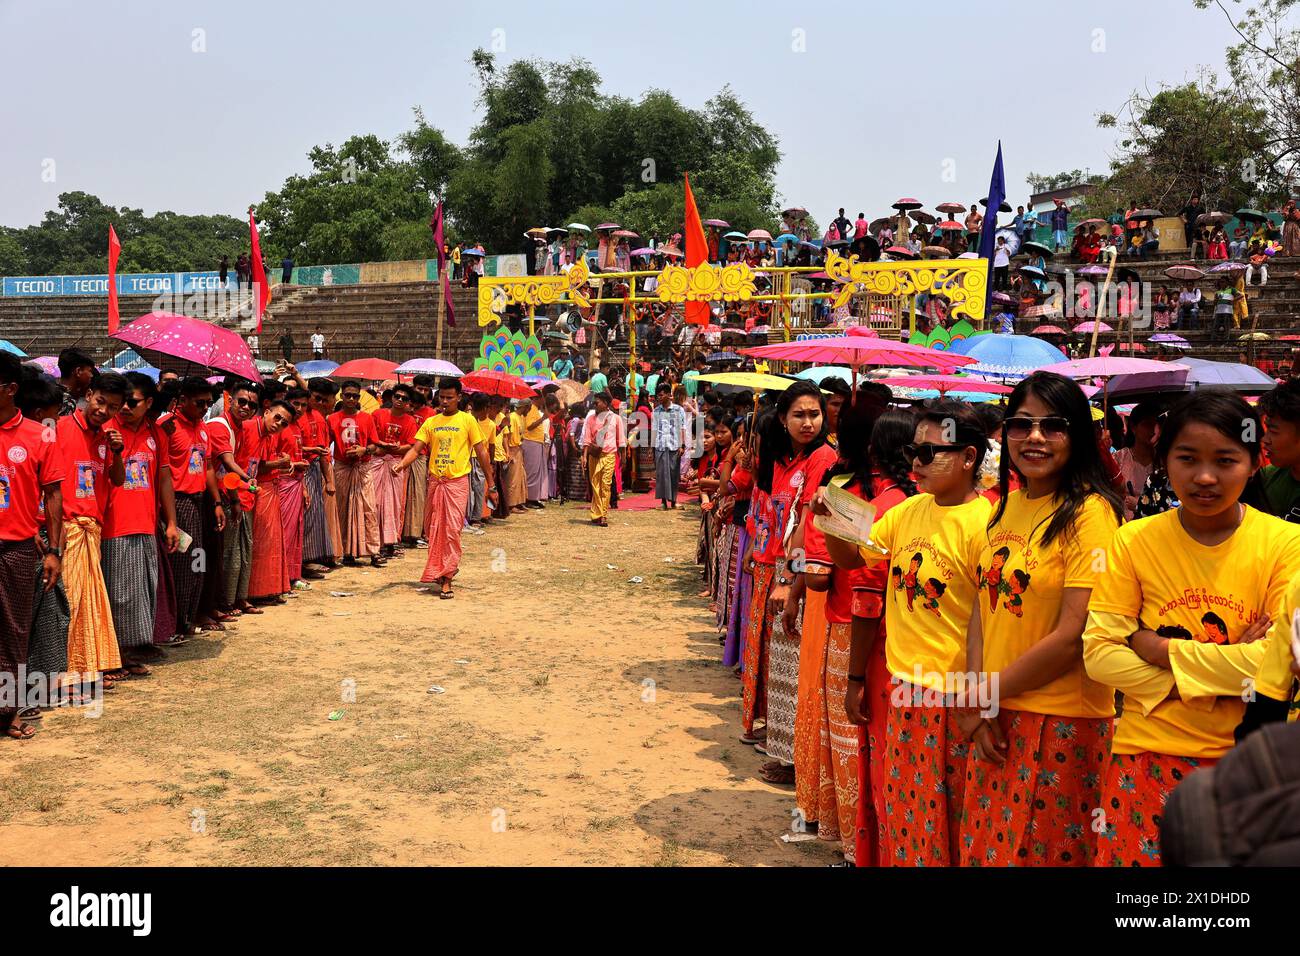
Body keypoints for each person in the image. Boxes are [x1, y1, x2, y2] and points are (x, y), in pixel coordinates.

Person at [1083, 389, 1300, 866]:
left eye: (1226, 460)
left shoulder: (1286, 543)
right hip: (1146, 753)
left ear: (1253, 462)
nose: (1205, 477)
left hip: (1249, 761)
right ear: (1165, 461)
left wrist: (1155, 647)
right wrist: (1222, 678)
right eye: (1187, 459)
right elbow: (1099, 655)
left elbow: (1276, 663)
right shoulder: (1133, 540)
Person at [954, 372, 1124, 866]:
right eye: (1021, 424)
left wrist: (984, 696)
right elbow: (981, 615)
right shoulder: (1002, 509)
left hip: (1062, 723)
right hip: (996, 716)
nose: (1034, 437)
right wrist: (977, 699)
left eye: (1053, 426)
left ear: (1077, 437)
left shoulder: (1091, 514)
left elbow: (1075, 635)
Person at [820, 400, 992, 865]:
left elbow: (986, 620)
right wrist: (831, 517)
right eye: (914, 450)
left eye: (930, 452)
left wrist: (979, 697)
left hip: (953, 691)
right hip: (904, 685)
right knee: (907, 814)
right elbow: (854, 559)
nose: (915, 462)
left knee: (951, 818)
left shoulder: (987, 525)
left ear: (969, 458)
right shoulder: (911, 510)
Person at [741, 381, 838, 787]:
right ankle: (781, 746)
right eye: (799, 414)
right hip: (774, 563)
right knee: (775, 661)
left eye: (814, 414)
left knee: (794, 667)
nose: (808, 421)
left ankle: (794, 757)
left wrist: (788, 578)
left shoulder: (822, 458)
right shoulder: (785, 459)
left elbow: (809, 527)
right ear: (783, 418)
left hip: (796, 572)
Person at [0, 354, 64, 740]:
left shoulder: (39, 435)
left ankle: (6, 713)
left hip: (18, 549)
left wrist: (54, 549)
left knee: (13, 632)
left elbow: (53, 494)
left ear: (10, 390)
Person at [102, 373, 179, 681]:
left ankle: (131, 651)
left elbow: (163, 479)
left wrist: (171, 522)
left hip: (146, 523)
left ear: (148, 403)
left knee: (142, 591)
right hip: (113, 523)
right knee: (118, 594)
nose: (123, 408)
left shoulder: (156, 434)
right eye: (121, 402)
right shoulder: (107, 430)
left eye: (131, 402)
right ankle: (113, 656)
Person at [56, 371, 129, 688]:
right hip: (68, 527)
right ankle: (66, 671)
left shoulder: (109, 438)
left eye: (112, 407)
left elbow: (118, 480)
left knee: (90, 601)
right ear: (89, 395)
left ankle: (87, 668)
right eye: (100, 401)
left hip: (92, 528)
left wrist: (118, 453)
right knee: (70, 600)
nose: (104, 411)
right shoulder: (60, 429)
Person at [393, 377, 490, 600]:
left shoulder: (468, 421)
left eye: (449, 397)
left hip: (456, 483)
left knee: (451, 531)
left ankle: (446, 578)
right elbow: (416, 449)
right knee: (433, 529)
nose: (445, 401)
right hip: (435, 483)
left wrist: (490, 482)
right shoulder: (431, 422)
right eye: (442, 397)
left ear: (459, 397)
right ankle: (440, 569)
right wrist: (401, 465)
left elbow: (482, 452)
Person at [158, 377, 223, 637]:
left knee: (198, 563)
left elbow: (207, 467)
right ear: (182, 400)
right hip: (178, 502)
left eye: (209, 403)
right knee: (182, 566)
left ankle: (188, 618)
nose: (205, 407)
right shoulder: (167, 426)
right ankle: (174, 625)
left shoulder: (203, 428)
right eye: (200, 402)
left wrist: (216, 501)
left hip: (200, 501)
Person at [328, 380, 383, 568]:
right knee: (342, 510)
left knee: (369, 509)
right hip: (342, 467)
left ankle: (374, 551)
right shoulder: (332, 419)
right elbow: (326, 445)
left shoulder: (367, 418)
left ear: (359, 397)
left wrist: (364, 450)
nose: (351, 399)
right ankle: (347, 552)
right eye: (347, 395)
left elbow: (375, 445)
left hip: (363, 467)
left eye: (355, 396)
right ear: (341, 396)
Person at [369, 384, 416, 559]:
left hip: (396, 465)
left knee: (394, 504)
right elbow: (371, 438)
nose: (400, 400)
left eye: (404, 399)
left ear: (408, 403)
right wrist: (381, 446)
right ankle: (375, 541)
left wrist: (396, 448)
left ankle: (389, 542)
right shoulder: (378, 414)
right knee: (375, 502)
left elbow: (411, 446)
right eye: (397, 396)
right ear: (392, 397)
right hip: (377, 462)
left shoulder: (410, 421)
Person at [582, 391, 625, 527]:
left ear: (606, 403)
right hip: (594, 456)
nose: (594, 404)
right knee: (595, 485)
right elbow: (587, 440)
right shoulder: (590, 419)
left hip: (609, 455)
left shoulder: (616, 418)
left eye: (597, 402)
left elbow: (621, 440)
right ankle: (597, 513)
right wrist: (584, 457)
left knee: (606, 485)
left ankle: (603, 515)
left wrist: (623, 457)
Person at [651, 383, 688, 509]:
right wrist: (652, 447)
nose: (659, 397)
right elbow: (654, 430)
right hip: (660, 446)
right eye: (658, 395)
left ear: (668, 395)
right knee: (661, 475)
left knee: (674, 474)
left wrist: (682, 445)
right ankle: (663, 502)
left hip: (674, 446)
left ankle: (673, 502)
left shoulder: (679, 410)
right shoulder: (656, 411)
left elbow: (682, 428)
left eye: (661, 395)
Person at [521, 394, 549, 508]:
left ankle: (534, 497)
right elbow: (529, 426)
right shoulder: (531, 408)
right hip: (531, 441)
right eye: (543, 398)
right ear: (537, 398)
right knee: (532, 471)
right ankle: (528, 498)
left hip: (537, 442)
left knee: (537, 471)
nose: (544, 400)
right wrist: (543, 418)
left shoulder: (536, 409)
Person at [57, 347, 95, 418]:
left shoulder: (50, 393)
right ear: (78, 371)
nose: (91, 375)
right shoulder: (67, 403)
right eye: (90, 371)